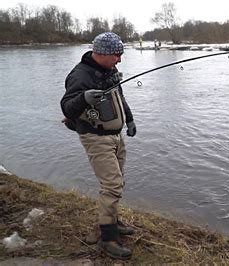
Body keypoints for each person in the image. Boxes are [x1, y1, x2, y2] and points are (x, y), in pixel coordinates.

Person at [60, 32, 136, 260]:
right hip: (96, 137)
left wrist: (130, 119)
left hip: (116, 135)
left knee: (118, 181)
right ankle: (108, 238)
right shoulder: (80, 75)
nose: (119, 60)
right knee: (112, 184)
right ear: (101, 53)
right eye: (116, 55)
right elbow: (67, 108)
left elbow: (120, 97)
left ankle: (111, 220)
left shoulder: (109, 70)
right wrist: (84, 98)